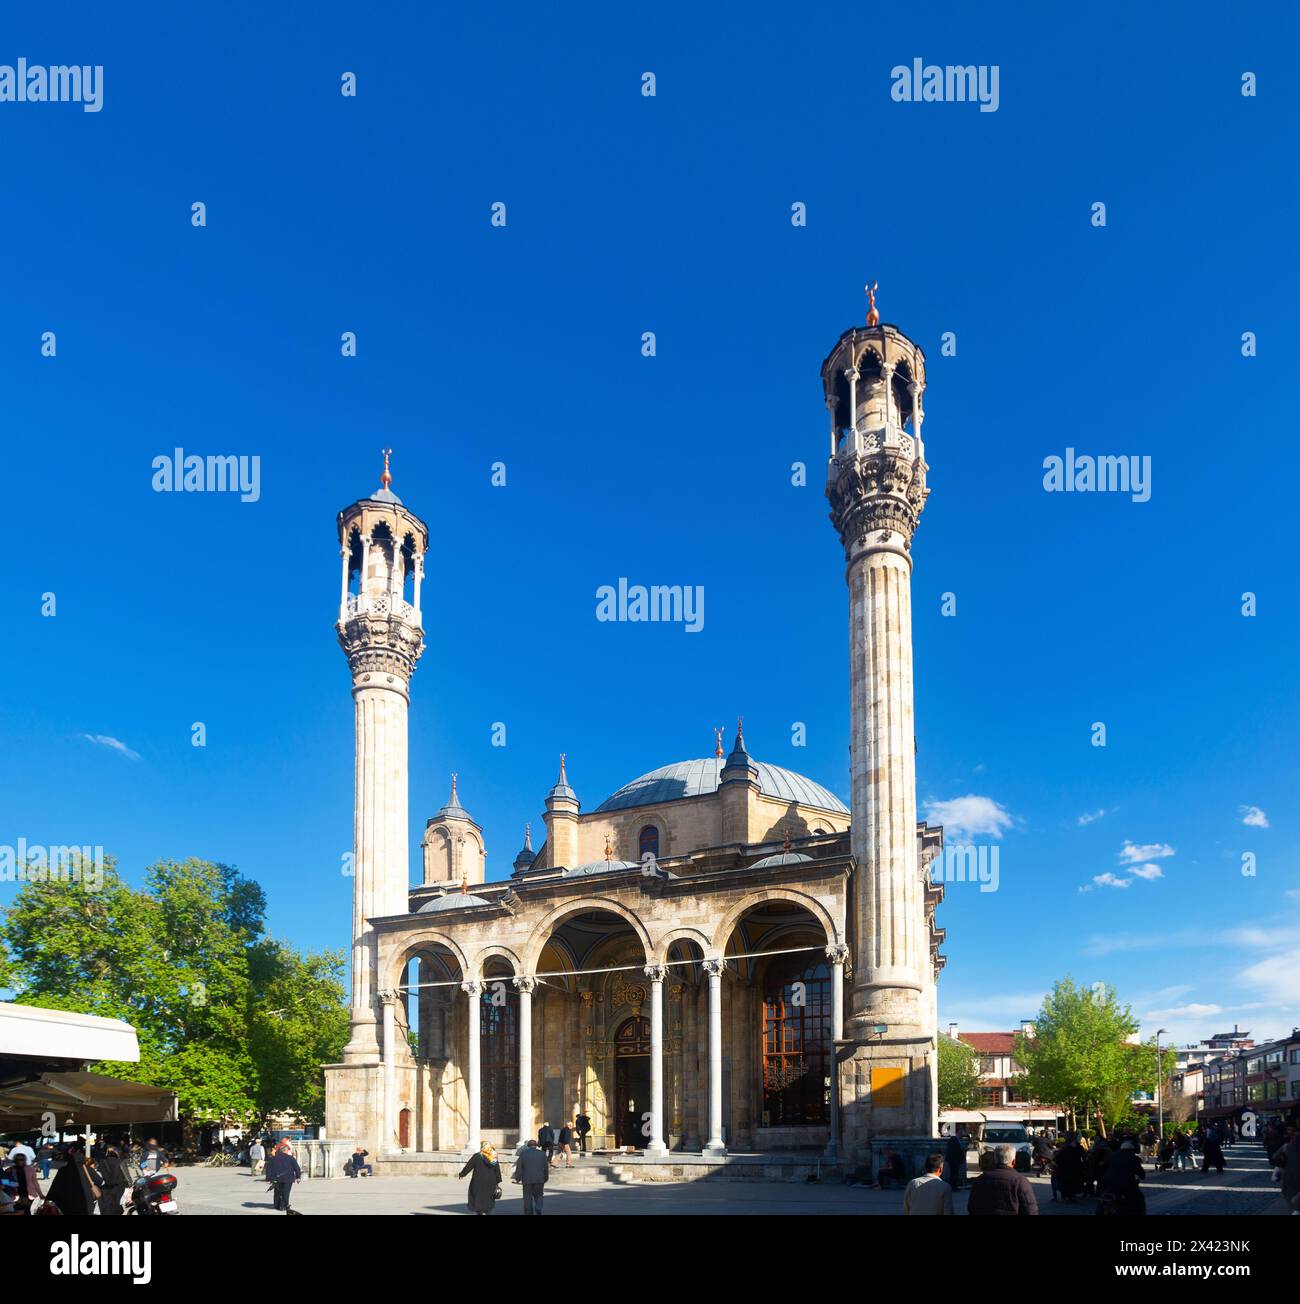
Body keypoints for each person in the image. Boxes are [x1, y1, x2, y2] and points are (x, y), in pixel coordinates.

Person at [966, 1144, 1038, 1215]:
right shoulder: (1020, 1181)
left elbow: (972, 1207)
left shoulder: (980, 1179)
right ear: (1013, 1162)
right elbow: (1030, 1209)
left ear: (995, 1159)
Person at [1098, 1139, 1146, 1215]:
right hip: (1125, 1184)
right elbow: (1142, 1174)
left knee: (1104, 1198)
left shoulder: (1113, 1156)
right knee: (1139, 1197)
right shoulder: (1133, 1158)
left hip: (1107, 1182)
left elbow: (1104, 1166)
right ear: (1132, 1150)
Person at [45, 1148, 97, 1216]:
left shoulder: (63, 1170)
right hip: (83, 1202)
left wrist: (48, 1198)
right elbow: (100, 1181)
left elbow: (55, 1186)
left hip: (66, 1203)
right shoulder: (87, 1170)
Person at [458, 1141, 501, 1215]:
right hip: (491, 1182)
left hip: (478, 1181)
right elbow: (497, 1170)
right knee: (489, 1198)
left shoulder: (477, 1156)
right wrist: (498, 1180)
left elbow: (468, 1167)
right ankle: (488, 1212)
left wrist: (462, 1174)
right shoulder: (493, 1157)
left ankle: (480, 1212)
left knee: (478, 1197)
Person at [512, 1137, 549, 1215]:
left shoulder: (523, 1154)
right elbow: (546, 1167)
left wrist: (517, 1178)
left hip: (527, 1179)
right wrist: (546, 1178)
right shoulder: (542, 1154)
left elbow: (519, 1167)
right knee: (539, 1195)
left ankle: (529, 1212)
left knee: (527, 1197)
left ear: (528, 1146)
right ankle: (538, 1208)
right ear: (536, 1146)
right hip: (539, 1179)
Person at [264, 1142, 301, 1213]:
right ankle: (283, 1206)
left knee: (277, 1192)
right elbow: (297, 1168)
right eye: (287, 1150)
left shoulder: (273, 1158)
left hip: (276, 1179)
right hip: (288, 1178)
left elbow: (268, 1169)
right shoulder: (290, 1158)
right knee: (286, 1192)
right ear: (285, 1150)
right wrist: (298, 1177)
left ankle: (276, 1205)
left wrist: (268, 1179)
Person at [96, 1146, 130, 1215]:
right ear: (116, 1153)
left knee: (108, 1209)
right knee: (117, 1207)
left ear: (107, 1154)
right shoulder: (121, 1162)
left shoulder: (101, 1163)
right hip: (119, 1187)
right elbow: (127, 1176)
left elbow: (99, 1176)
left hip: (106, 1189)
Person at [1054, 1134, 1085, 1202]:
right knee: (1070, 1181)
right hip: (1072, 1167)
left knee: (1067, 1181)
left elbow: (1058, 1156)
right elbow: (1083, 1154)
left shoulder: (1065, 1146)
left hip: (1066, 1167)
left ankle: (1066, 1196)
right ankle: (1069, 1196)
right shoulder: (1074, 1146)